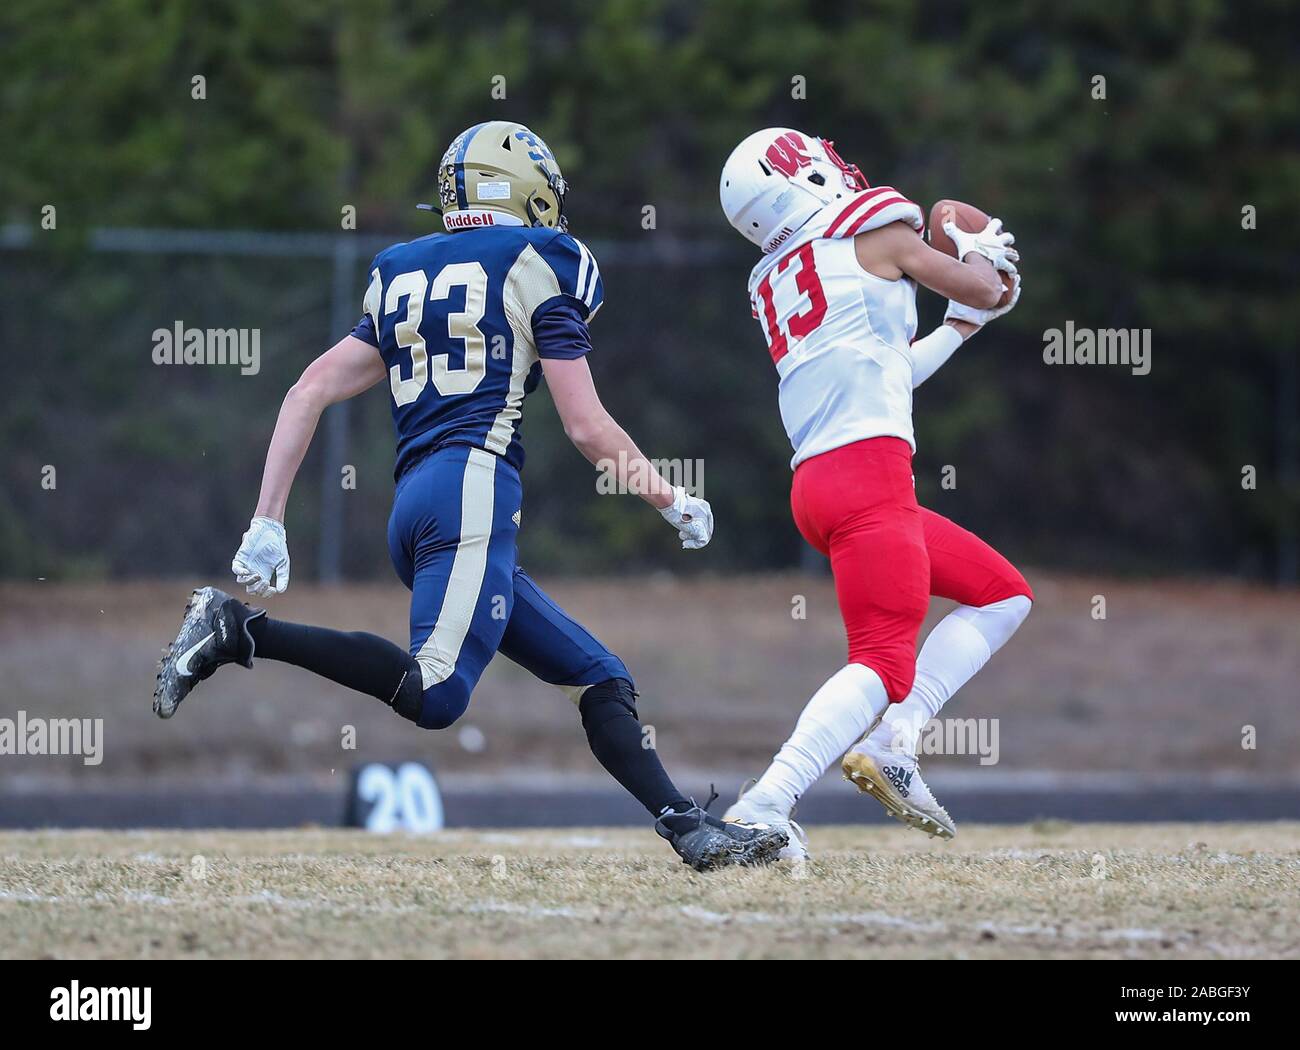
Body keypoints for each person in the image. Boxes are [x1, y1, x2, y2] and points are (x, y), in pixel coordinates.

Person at [154, 120, 786, 872]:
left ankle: (689, 829)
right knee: (435, 694)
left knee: (599, 676)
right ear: (521, 191)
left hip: (417, 505)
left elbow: (308, 390)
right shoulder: (541, 260)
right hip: (472, 493)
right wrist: (669, 499)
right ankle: (238, 630)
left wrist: (268, 521)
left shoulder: (399, 269)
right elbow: (586, 427)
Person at [717, 128, 1033, 856]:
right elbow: (987, 287)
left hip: (821, 482)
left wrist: (959, 330)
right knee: (884, 659)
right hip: (867, 477)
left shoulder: (779, 273)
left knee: (1001, 594)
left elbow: (887, 371)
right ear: (800, 176)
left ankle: (895, 741)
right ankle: (765, 803)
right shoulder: (877, 229)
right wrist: (981, 253)